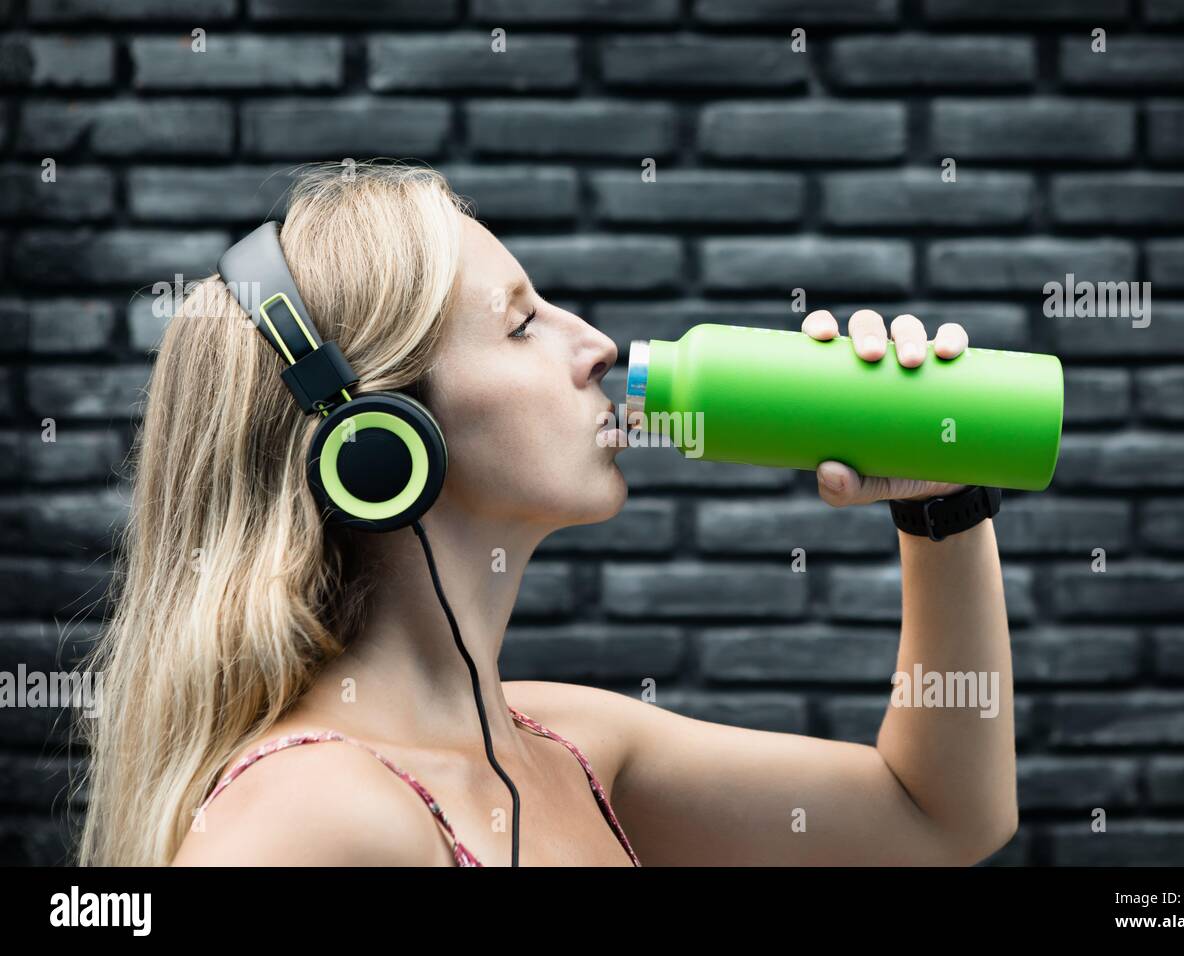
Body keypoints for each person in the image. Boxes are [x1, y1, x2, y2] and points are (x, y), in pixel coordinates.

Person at [75, 160, 1017, 867]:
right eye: (522, 323)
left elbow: (939, 816)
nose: (599, 345)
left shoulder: (568, 748)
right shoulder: (307, 815)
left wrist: (940, 506)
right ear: (377, 443)